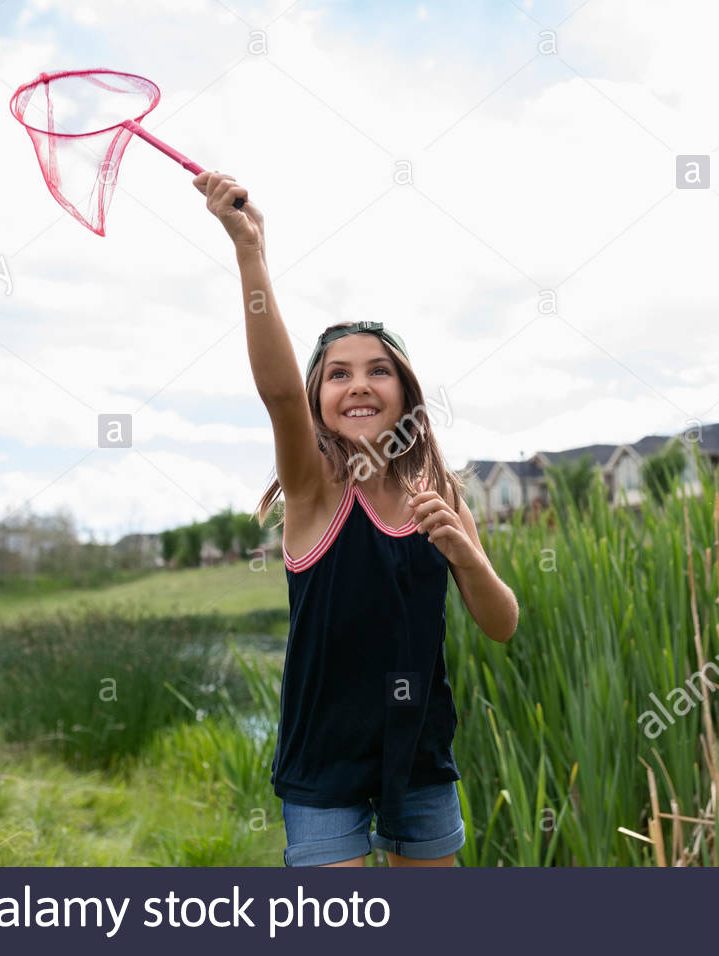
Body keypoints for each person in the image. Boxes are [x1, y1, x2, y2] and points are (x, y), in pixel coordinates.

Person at [194, 171, 519, 867]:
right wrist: (251, 251)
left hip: (421, 757)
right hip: (324, 762)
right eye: (337, 373)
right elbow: (279, 392)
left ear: (404, 391)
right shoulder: (312, 490)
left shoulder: (442, 494)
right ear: (318, 398)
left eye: (377, 370)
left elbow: (502, 624)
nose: (359, 384)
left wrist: (465, 553)